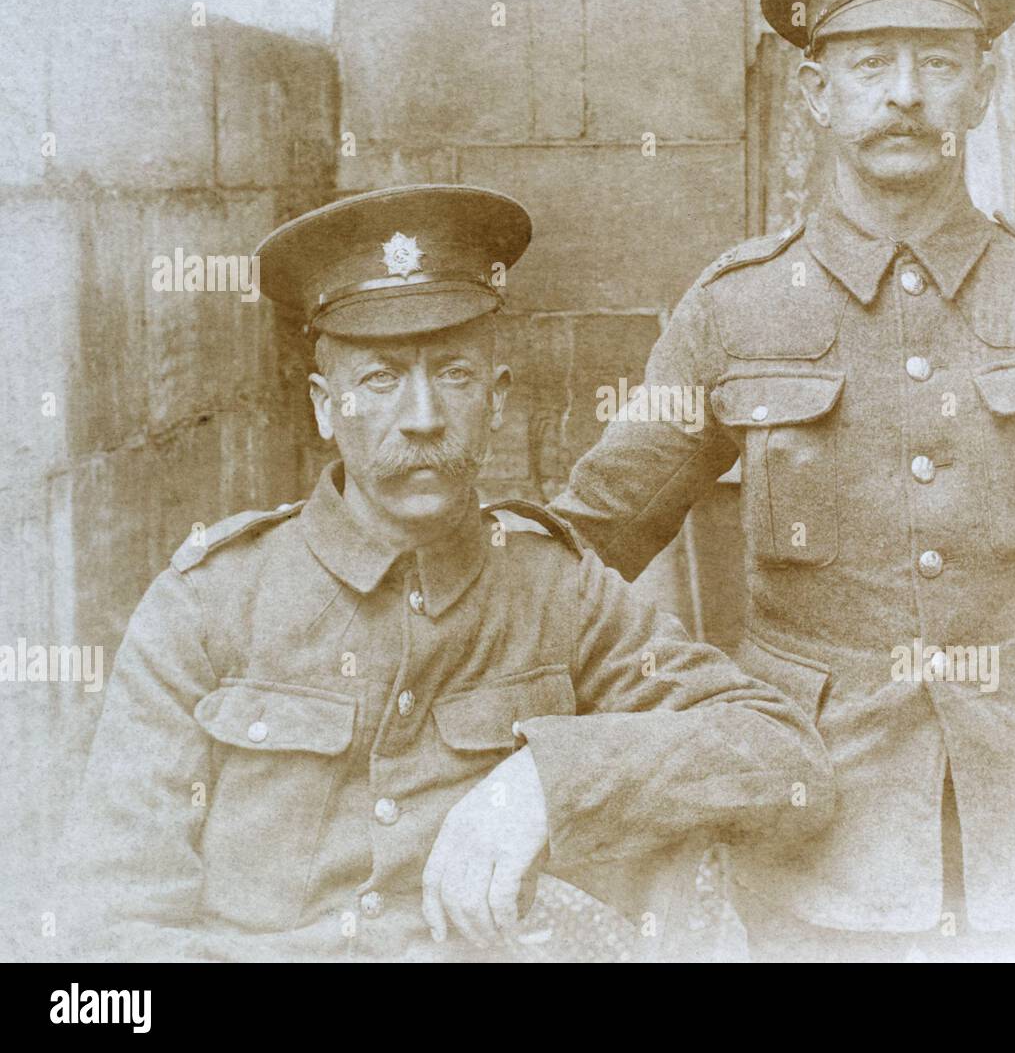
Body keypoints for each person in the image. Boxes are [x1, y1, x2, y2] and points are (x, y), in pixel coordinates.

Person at [549, 0, 1015, 959]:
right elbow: (589, 538)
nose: (906, 94)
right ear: (815, 92)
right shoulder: (733, 309)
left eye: (937, 60)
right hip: (817, 823)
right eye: (871, 61)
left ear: (983, 84)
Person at [59, 184, 833, 962]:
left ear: (496, 400)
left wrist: (546, 781)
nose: (423, 416)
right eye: (383, 380)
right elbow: (113, 923)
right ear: (326, 408)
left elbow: (782, 753)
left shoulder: (558, 591)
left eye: (455, 375)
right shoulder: (210, 603)